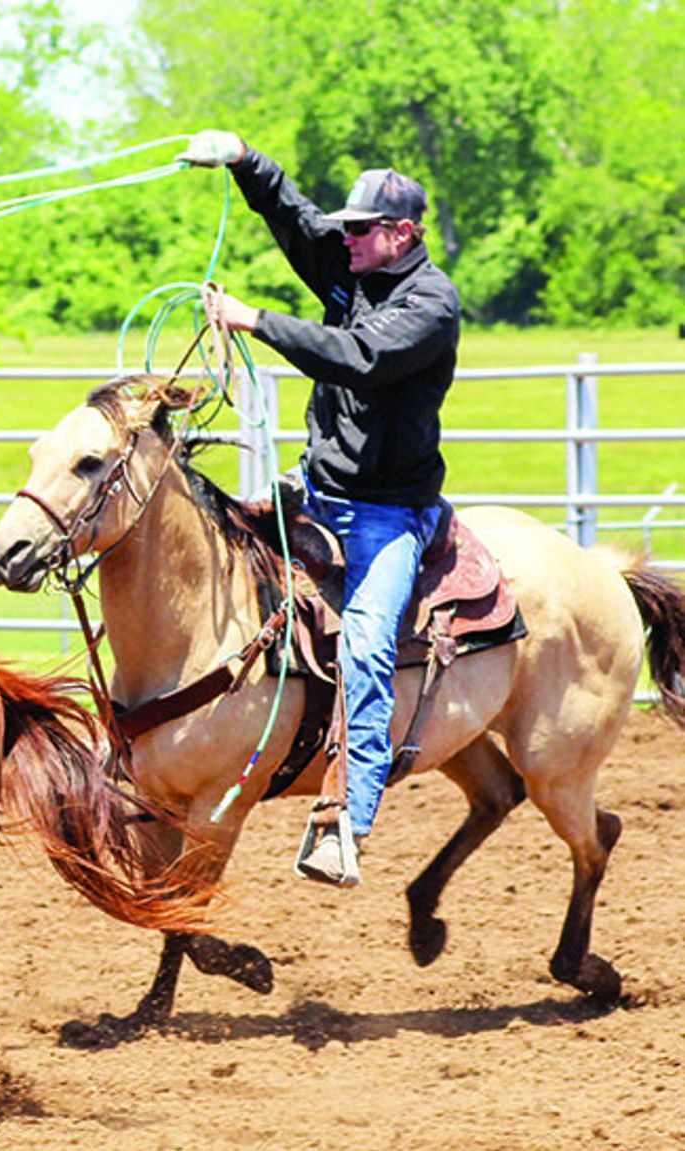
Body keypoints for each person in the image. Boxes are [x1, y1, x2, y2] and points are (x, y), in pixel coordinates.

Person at [176, 130, 460, 886]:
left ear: (402, 234)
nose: (347, 239)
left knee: (366, 645)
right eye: (349, 229)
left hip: (387, 514)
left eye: (361, 229)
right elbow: (294, 216)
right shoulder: (350, 264)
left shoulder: (431, 304)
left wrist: (255, 320)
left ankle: (346, 822)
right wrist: (242, 157)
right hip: (316, 487)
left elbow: (360, 359)